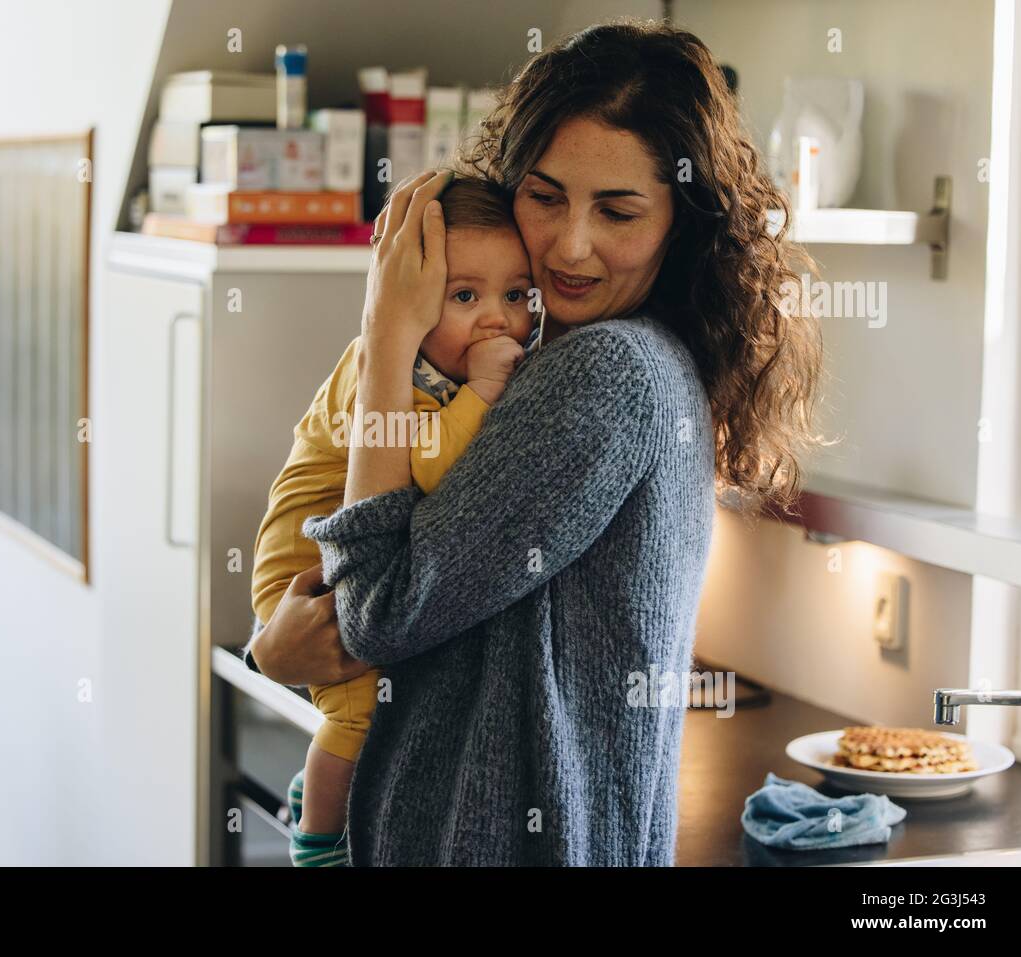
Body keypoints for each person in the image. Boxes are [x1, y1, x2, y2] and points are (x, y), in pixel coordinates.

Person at [245, 20, 825, 865]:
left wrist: (387, 334)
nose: (569, 243)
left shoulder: (606, 372)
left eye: (617, 210)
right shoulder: (590, 355)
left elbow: (373, 608)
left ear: (681, 221)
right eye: (545, 196)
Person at [250, 175, 539, 865]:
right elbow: (427, 470)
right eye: (464, 296)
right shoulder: (379, 369)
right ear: (407, 300)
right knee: (355, 715)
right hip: (302, 568)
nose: (497, 318)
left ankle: (322, 796)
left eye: (516, 294)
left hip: (340, 559)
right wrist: (486, 391)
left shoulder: (441, 373)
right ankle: (319, 844)